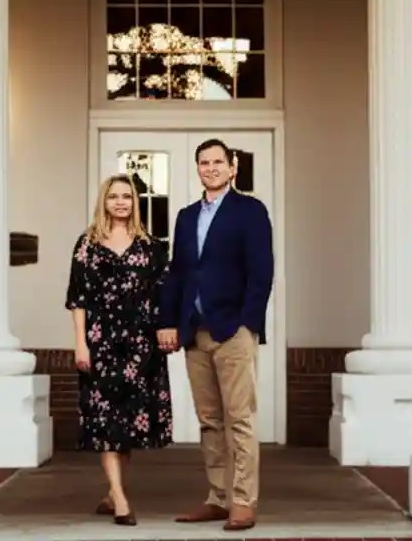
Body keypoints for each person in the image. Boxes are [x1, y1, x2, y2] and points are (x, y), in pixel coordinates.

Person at [157, 138, 274, 532]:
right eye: (204, 163)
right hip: (195, 332)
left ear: (232, 167)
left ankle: (243, 501)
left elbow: (262, 273)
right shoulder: (187, 217)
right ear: (198, 168)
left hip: (233, 331)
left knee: (239, 418)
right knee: (209, 421)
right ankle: (218, 498)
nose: (211, 168)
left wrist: (248, 324)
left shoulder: (250, 211)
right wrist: (168, 320)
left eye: (217, 162)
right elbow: (178, 273)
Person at [65, 174, 173, 527]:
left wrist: (163, 334)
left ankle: (112, 492)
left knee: (125, 425)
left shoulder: (150, 246)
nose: (121, 202)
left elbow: (162, 296)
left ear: (135, 202)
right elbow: (77, 299)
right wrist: (80, 342)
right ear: (104, 201)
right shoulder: (88, 243)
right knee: (108, 422)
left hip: (141, 346)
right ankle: (122, 500)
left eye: (127, 196)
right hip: (101, 343)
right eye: (114, 196)